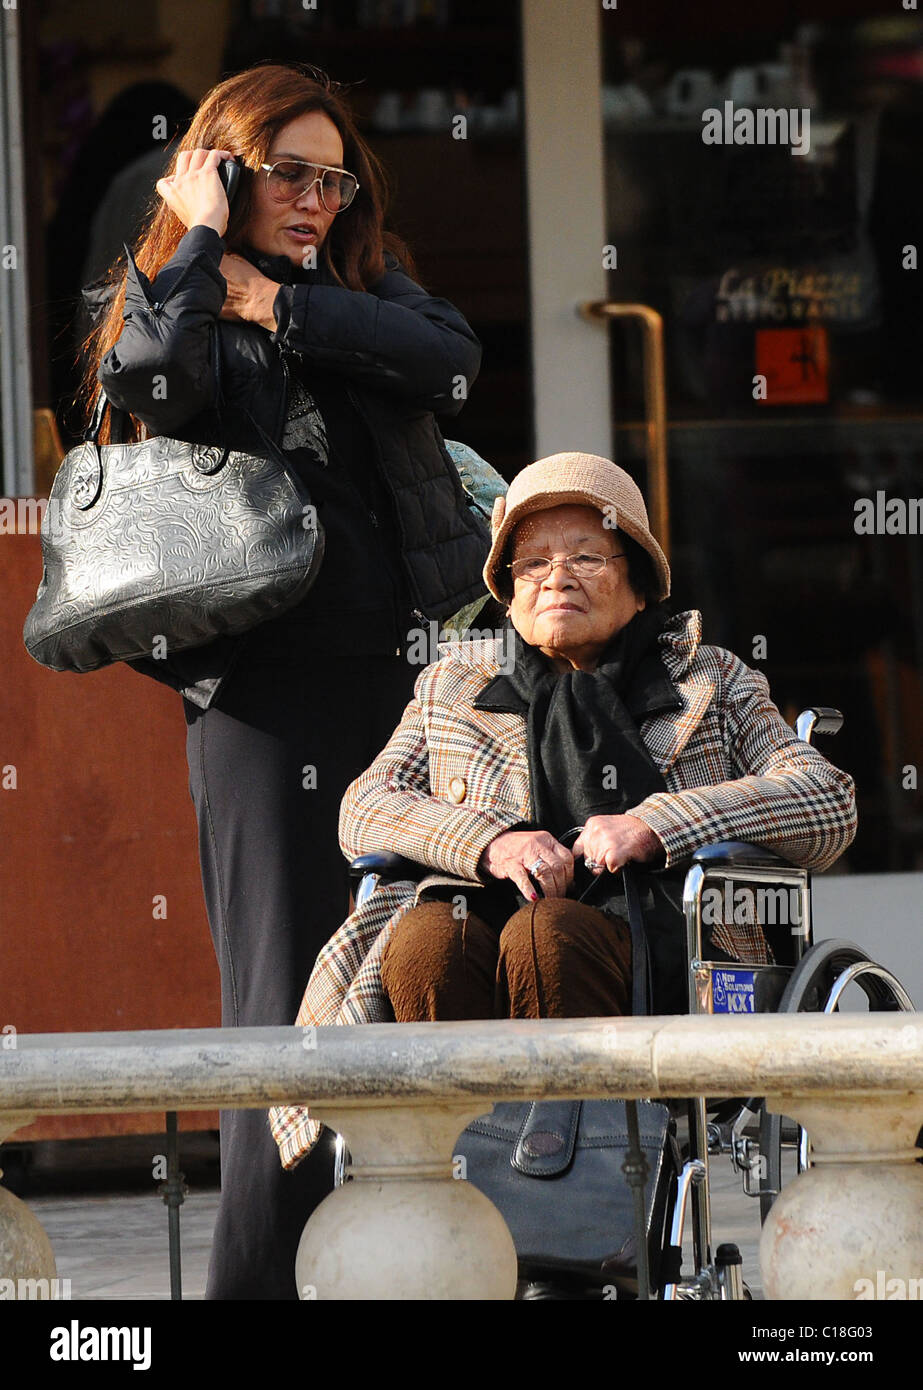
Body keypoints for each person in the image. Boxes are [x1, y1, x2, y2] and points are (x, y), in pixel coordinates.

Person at [77, 62, 489, 1299]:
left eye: (333, 179)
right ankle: (252, 1288)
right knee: (284, 1006)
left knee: (401, 979)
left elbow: (448, 361)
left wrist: (286, 306)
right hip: (265, 700)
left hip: (402, 683)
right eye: (286, 175)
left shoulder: (360, 283)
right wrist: (203, 240)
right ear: (222, 168)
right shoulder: (176, 293)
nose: (314, 200)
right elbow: (147, 378)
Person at [271, 451, 857, 1173]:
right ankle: (457, 1168)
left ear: (639, 585)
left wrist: (660, 823)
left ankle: (572, 1179)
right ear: (508, 593)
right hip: (482, 944)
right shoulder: (452, 684)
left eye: (586, 556)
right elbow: (364, 808)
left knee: (547, 934)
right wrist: (491, 844)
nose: (556, 577)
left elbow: (826, 799)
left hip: (666, 953)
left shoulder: (710, 677)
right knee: (426, 939)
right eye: (532, 564)